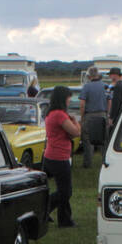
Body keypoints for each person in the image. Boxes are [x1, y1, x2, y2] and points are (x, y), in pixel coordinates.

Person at [43, 86, 81, 228]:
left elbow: (68, 134)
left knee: (63, 189)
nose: (70, 100)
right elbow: (75, 132)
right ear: (63, 98)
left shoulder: (50, 113)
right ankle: (46, 211)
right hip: (58, 157)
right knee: (65, 191)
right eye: (69, 97)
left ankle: (63, 219)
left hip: (51, 155)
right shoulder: (60, 114)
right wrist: (76, 121)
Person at [79, 65, 108, 169]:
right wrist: (107, 114)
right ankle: (105, 161)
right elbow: (110, 101)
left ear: (89, 76)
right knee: (103, 140)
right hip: (102, 115)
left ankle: (87, 164)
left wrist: (82, 117)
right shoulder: (105, 86)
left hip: (89, 115)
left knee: (87, 140)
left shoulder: (86, 87)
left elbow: (82, 103)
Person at [106, 67, 122, 137]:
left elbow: (116, 104)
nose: (110, 77)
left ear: (115, 75)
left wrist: (111, 118)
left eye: (111, 75)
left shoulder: (118, 86)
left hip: (119, 116)